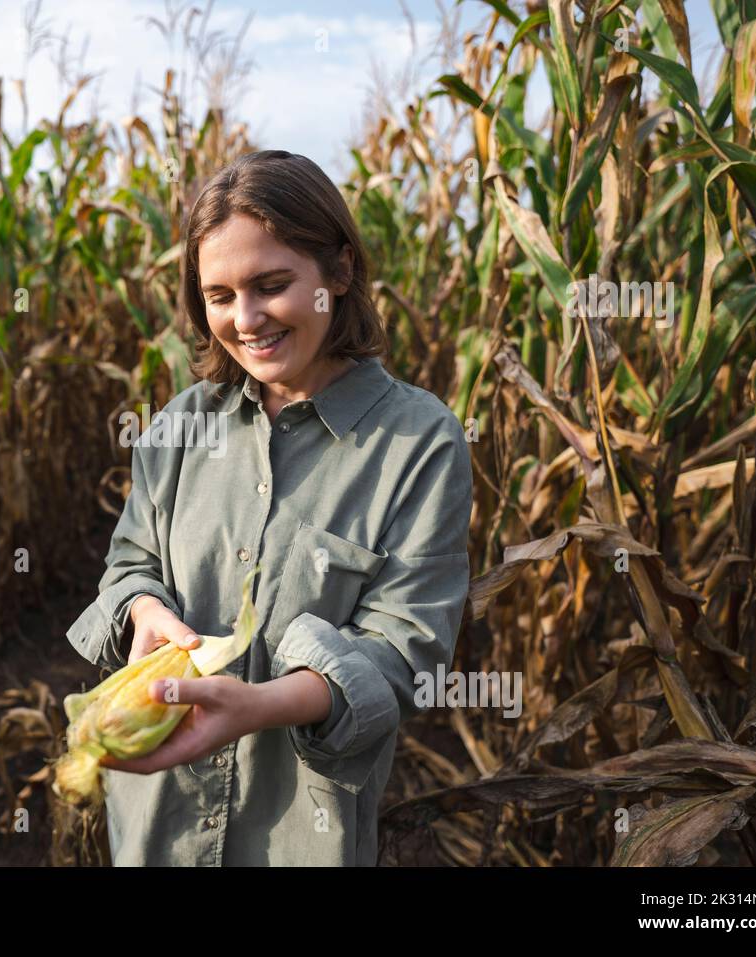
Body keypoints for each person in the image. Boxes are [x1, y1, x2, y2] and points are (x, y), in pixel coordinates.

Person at [65, 149, 473, 866]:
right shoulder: (180, 426)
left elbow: (405, 647)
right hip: (158, 822)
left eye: (271, 285)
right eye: (219, 296)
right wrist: (144, 609)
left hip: (299, 833)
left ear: (339, 272)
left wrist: (261, 705)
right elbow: (130, 563)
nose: (246, 319)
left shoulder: (419, 441)